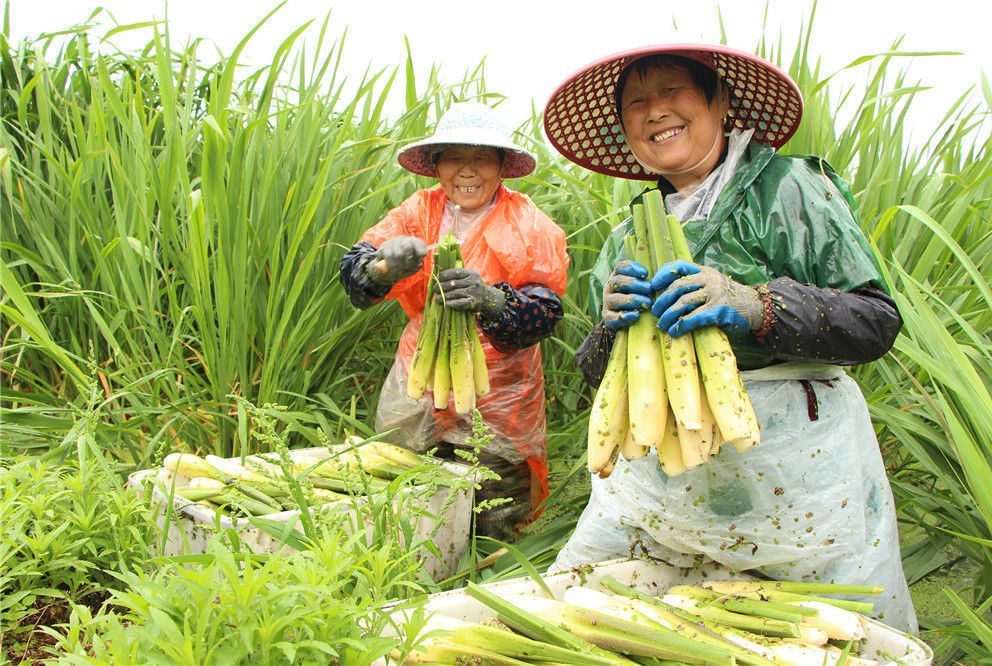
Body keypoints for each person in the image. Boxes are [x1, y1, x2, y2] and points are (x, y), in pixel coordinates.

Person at [541, 43, 918, 632]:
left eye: (671, 92)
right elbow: (602, 382)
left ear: (719, 102)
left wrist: (750, 303)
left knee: (822, 630)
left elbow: (875, 322)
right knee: (611, 615)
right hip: (664, 481)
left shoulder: (791, 190)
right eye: (637, 103)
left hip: (797, 473)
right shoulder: (625, 240)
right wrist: (610, 331)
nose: (654, 112)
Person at [339, 101, 570, 539]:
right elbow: (357, 276)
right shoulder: (417, 213)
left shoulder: (529, 224)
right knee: (404, 500)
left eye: (481, 157)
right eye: (454, 157)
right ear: (436, 165)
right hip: (421, 374)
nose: (467, 171)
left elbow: (544, 315)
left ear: (501, 165)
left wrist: (492, 302)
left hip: (499, 394)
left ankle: (493, 580)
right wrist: (382, 269)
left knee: (494, 510)